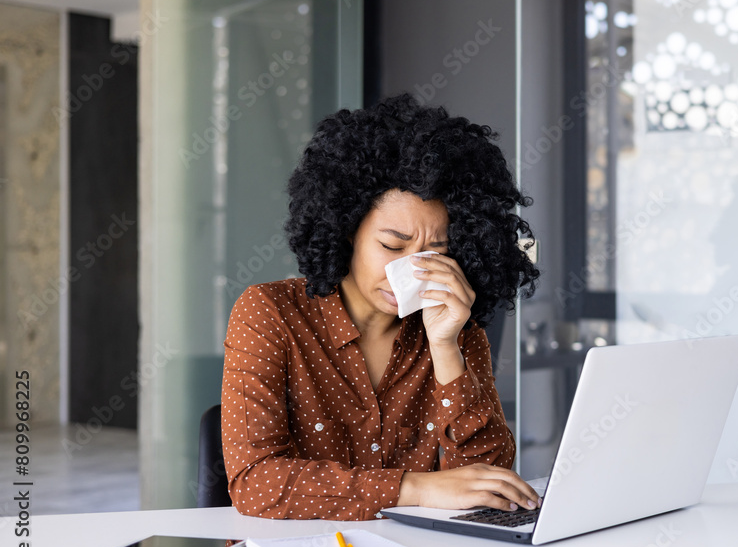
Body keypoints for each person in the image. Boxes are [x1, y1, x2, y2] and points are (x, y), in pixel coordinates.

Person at [221, 93, 541, 521]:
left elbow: (488, 483)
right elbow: (256, 482)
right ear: (346, 231)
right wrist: (417, 488)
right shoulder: (270, 313)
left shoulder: (454, 326)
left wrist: (446, 348)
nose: (412, 271)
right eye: (393, 245)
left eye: (437, 251)